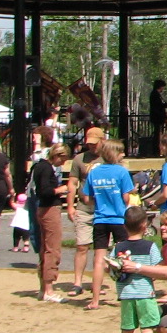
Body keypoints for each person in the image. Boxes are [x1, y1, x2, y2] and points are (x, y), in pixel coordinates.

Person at [84, 138, 136, 310]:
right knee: (124, 257)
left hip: (100, 219)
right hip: (119, 219)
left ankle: (95, 299)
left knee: (98, 259)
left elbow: (88, 199)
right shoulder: (121, 172)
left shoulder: (94, 172)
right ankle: (125, 294)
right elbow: (126, 197)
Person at [113, 207, 163, 333]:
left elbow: (111, 268)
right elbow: (157, 269)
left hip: (126, 293)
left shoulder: (118, 247)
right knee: (147, 330)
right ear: (144, 225)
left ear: (124, 226)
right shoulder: (150, 246)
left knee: (126, 330)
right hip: (145, 293)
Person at [32, 143, 70, 302]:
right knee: (52, 249)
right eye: (63, 159)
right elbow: (44, 191)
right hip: (49, 209)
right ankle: (48, 289)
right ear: (57, 155)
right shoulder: (46, 168)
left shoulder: (39, 166)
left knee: (45, 247)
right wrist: (60, 190)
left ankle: (43, 287)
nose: (63, 163)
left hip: (43, 209)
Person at [65, 126, 101, 295]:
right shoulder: (79, 159)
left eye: (95, 143)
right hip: (84, 208)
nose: (92, 147)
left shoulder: (108, 159)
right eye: (90, 144)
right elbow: (72, 183)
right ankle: (78, 282)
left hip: (103, 209)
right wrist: (70, 206)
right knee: (82, 245)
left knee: (101, 249)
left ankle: (97, 282)